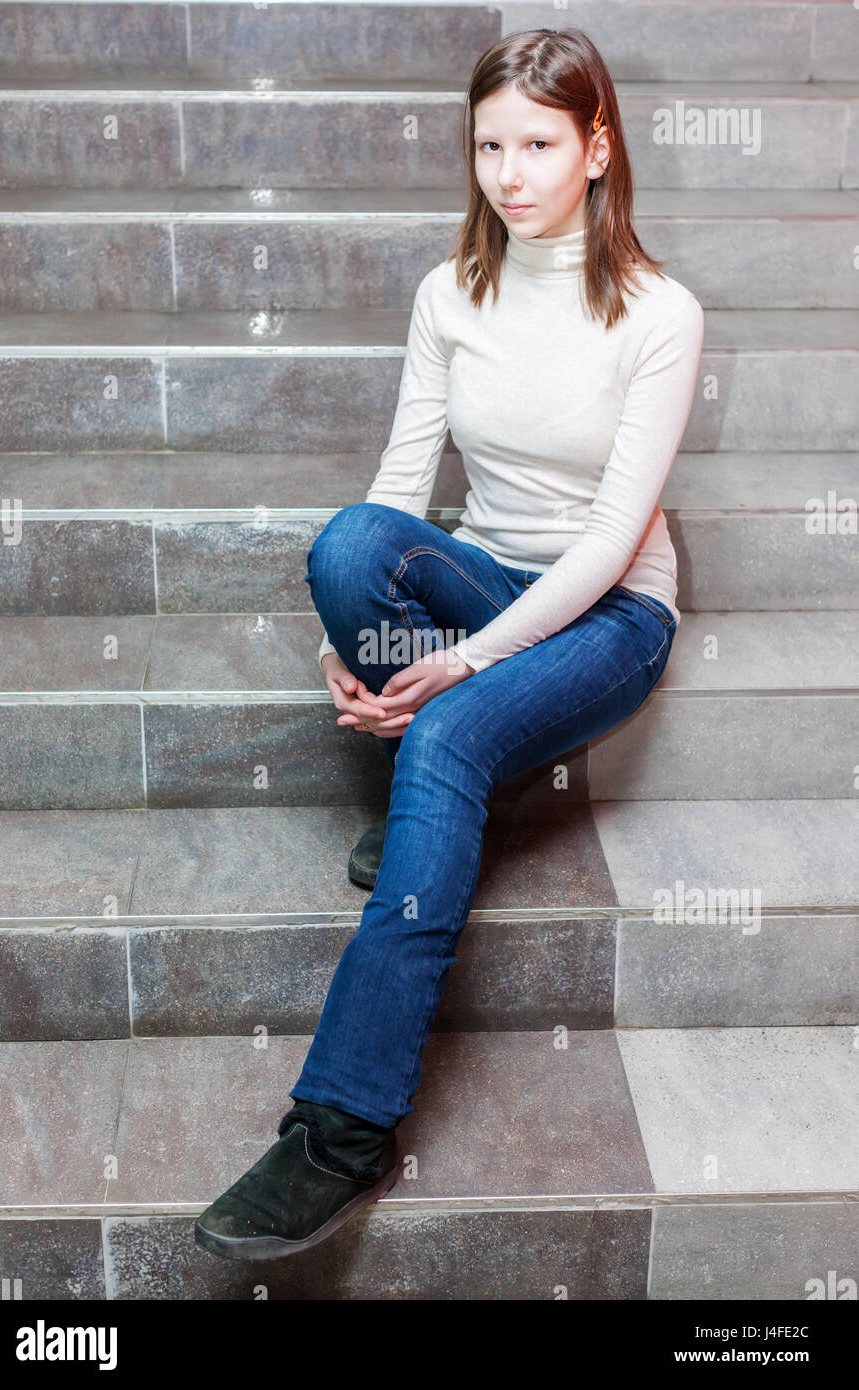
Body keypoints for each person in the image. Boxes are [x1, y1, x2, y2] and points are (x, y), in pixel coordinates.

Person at [195, 26, 704, 1263]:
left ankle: (338, 1129)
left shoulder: (658, 312)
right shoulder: (450, 292)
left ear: (595, 147)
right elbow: (394, 491)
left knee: (450, 745)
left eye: (537, 144)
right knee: (346, 545)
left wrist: (458, 672)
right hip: (481, 576)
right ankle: (445, 750)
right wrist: (350, 649)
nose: (509, 174)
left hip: (608, 612)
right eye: (488, 145)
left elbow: (601, 546)